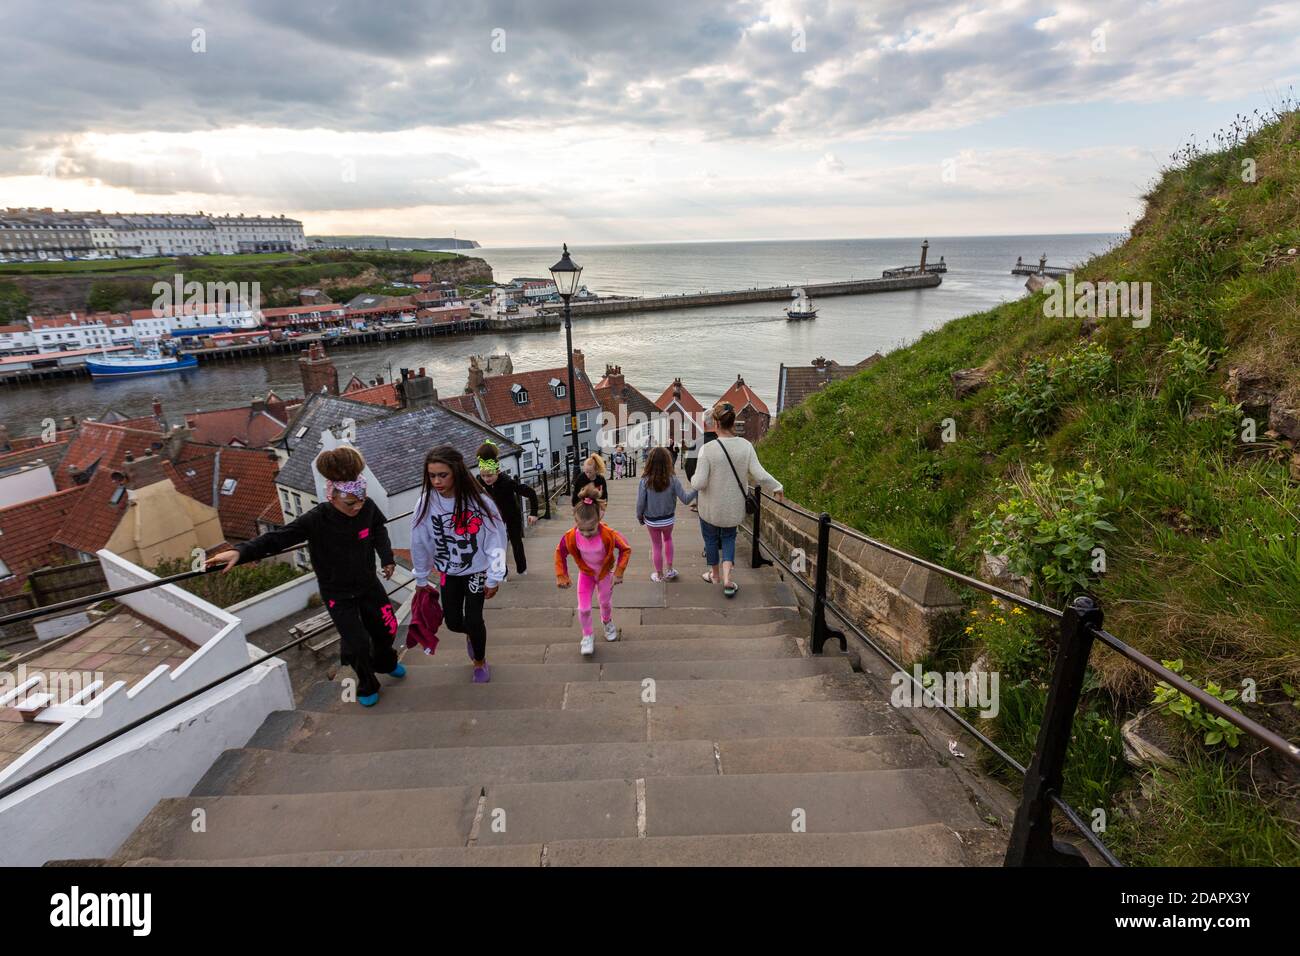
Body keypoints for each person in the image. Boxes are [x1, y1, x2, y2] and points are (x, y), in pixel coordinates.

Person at [208, 447, 401, 707]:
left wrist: (386, 557)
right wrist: (240, 552)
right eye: (350, 503)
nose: (358, 507)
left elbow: (378, 529)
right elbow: (278, 538)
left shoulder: (367, 508)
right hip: (338, 594)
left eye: (362, 500)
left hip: (369, 586)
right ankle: (366, 684)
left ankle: (386, 662)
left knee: (387, 629)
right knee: (356, 644)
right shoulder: (316, 519)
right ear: (332, 497)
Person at [411, 444, 508, 684]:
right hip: (448, 571)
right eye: (432, 475)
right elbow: (419, 541)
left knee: (474, 619)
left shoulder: (479, 501)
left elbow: (497, 537)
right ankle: (470, 635)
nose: (436, 481)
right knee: (453, 621)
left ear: (456, 472)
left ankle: (479, 661)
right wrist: (421, 578)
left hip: (476, 571)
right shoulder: (425, 503)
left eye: (442, 475)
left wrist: (494, 576)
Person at [691, 401, 784, 598]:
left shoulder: (707, 449)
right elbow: (759, 474)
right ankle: (727, 579)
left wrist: (694, 479)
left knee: (710, 538)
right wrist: (777, 486)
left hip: (710, 509)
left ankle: (714, 575)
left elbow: (698, 483)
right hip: (733, 509)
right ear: (733, 422)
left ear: (715, 423)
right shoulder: (746, 446)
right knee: (729, 538)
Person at [555, 483, 632, 656]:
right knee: (584, 608)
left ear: (599, 519)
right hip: (586, 575)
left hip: (605, 574)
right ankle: (587, 635)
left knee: (604, 602)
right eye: (581, 530)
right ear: (576, 522)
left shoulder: (609, 534)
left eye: (591, 529)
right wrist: (562, 575)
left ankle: (607, 622)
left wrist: (619, 572)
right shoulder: (571, 536)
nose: (586, 534)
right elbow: (560, 552)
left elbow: (626, 548)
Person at [474, 442, 539, 576]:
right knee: (498, 545)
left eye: (490, 475)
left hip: (511, 514)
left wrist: (533, 513)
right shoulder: (479, 481)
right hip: (494, 518)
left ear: (498, 471)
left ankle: (522, 569)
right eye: (484, 476)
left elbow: (531, 493)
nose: (487, 479)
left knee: (516, 541)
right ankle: (502, 573)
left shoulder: (507, 482)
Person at [636, 445, 697, 582]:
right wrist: (697, 488)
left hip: (651, 520)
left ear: (649, 462)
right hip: (668, 520)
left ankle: (659, 575)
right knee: (668, 540)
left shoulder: (645, 480)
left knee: (656, 545)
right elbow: (686, 500)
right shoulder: (673, 479)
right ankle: (670, 570)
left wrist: (640, 517)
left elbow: (640, 503)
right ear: (668, 461)